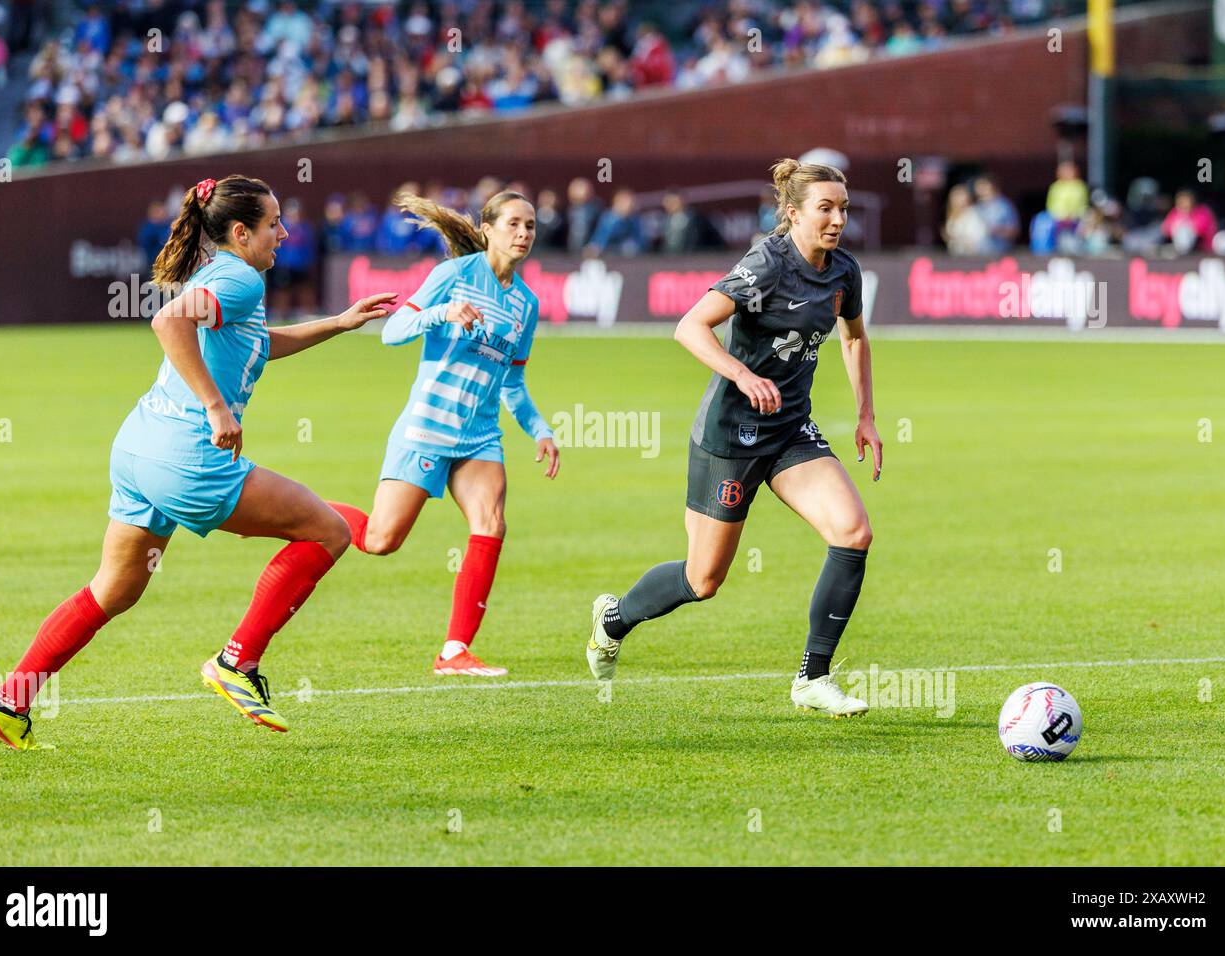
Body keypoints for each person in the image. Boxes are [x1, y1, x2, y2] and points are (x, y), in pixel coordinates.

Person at [0, 175, 397, 750]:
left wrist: (341, 321)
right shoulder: (239, 275)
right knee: (327, 530)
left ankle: (9, 701)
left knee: (113, 590)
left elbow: (257, 342)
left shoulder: (227, 279)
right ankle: (236, 663)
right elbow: (167, 321)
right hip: (186, 457)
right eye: (275, 223)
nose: (285, 232)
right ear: (242, 232)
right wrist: (217, 408)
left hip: (138, 449)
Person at [587, 158, 880, 717]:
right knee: (703, 579)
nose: (838, 219)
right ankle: (614, 619)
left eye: (842, 208)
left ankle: (812, 679)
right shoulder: (766, 264)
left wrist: (865, 415)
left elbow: (855, 338)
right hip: (731, 434)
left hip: (791, 429)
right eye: (825, 208)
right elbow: (690, 326)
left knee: (853, 532)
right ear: (793, 213)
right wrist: (743, 375)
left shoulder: (845, 271)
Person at [328, 190, 560, 677]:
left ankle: (454, 651)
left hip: (479, 436)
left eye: (531, 226)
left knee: (491, 524)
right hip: (427, 428)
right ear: (488, 228)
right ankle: (307, 511)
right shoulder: (453, 276)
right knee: (380, 540)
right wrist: (442, 313)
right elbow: (393, 332)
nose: (523, 234)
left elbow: (512, 381)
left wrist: (540, 429)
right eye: (514, 224)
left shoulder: (526, 303)